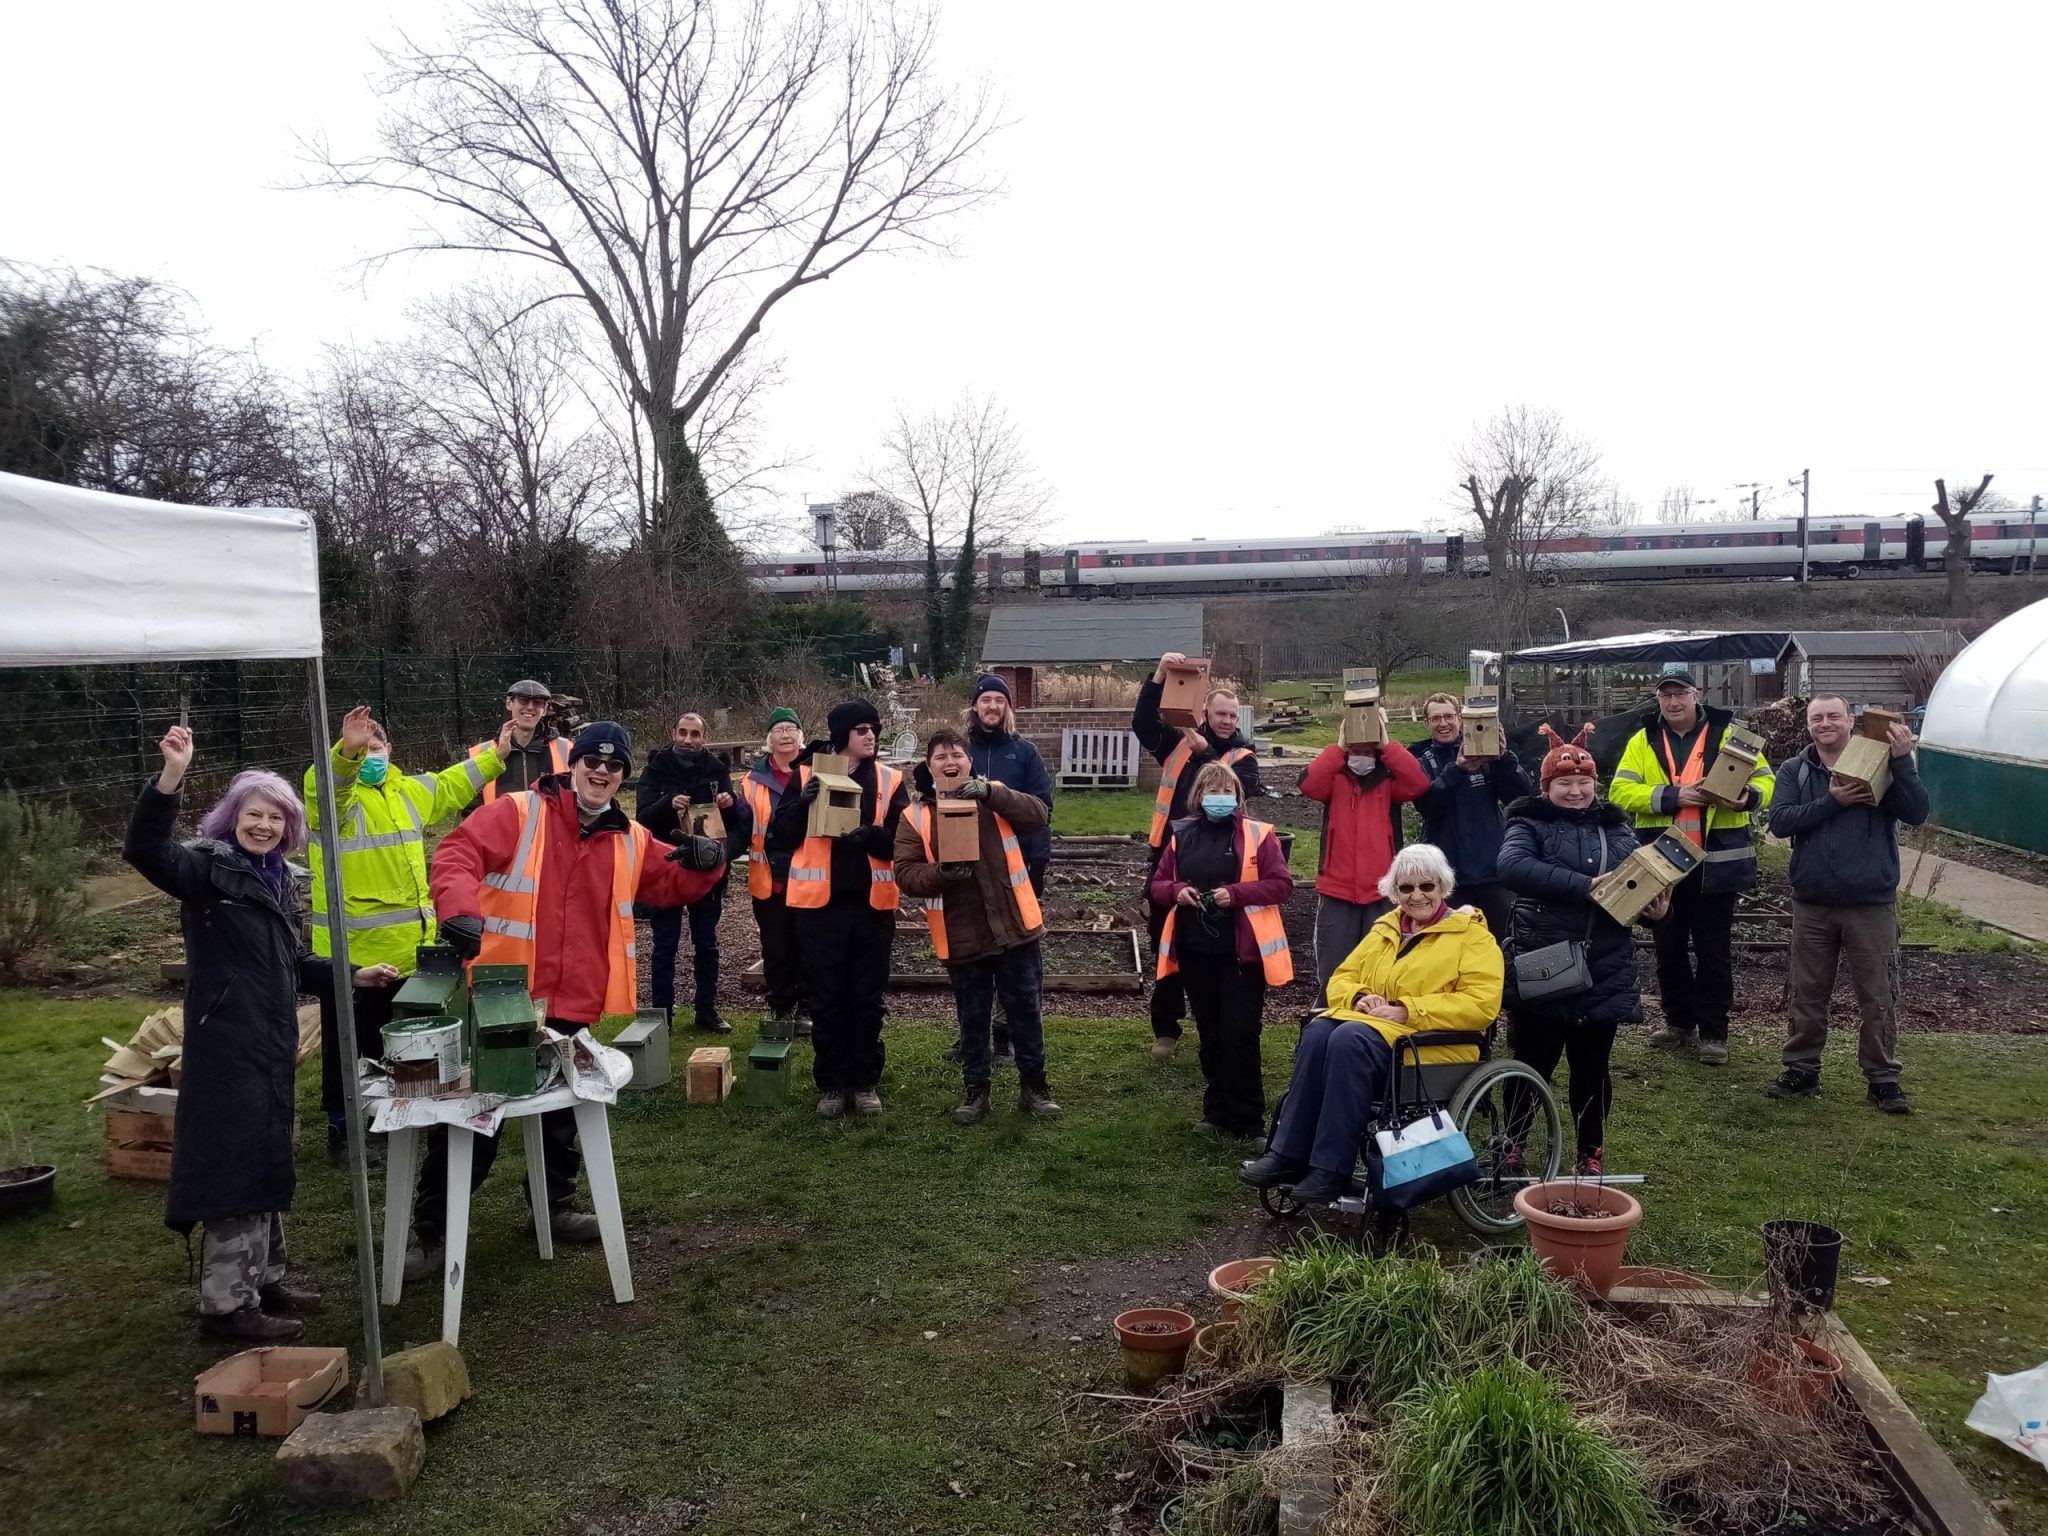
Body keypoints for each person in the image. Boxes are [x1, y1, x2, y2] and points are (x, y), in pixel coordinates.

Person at [401, 722, 728, 1278]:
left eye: (614, 766)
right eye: (592, 762)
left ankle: (553, 1208)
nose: (602, 771)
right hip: (502, 995)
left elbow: (670, 881)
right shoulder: (518, 812)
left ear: (623, 778)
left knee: (561, 1116)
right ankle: (433, 1234)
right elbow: (457, 853)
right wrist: (458, 910)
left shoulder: (631, 837)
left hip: (575, 998)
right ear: (572, 765)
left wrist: (708, 861)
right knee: (474, 1117)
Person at [125, 726, 341, 1342]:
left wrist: (350, 974)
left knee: (265, 1154)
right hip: (227, 1041)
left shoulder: (279, 880)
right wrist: (171, 776)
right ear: (233, 817)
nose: (264, 825)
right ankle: (226, 1307)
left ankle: (264, 1279)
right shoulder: (207, 869)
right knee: (235, 1162)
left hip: (269, 1040)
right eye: (254, 814)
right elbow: (145, 850)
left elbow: (291, 962)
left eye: (276, 817)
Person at [1241, 844, 1501, 1204]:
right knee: (1318, 1032)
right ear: (1395, 892)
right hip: (1383, 1035)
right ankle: (1288, 1155)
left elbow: (1481, 1005)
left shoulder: (1472, 937)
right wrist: (1360, 996)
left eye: (1427, 886)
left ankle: (1331, 1169)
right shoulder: (1386, 929)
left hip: (1436, 1045)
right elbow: (1342, 977)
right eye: (1406, 888)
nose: (1417, 896)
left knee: (1349, 1038)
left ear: (1443, 887)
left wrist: (1408, 1010)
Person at [307, 705, 506, 1158]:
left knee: (401, 1041)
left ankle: (400, 1114)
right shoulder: (336, 799)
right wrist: (347, 753)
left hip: (408, 948)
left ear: (390, 750)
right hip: (353, 952)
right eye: (363, 751)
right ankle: (345, 1127)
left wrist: (499, 753)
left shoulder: (406, 791)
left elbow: (453, 782)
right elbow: (328, 788)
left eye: (376, 748)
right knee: (350, 1046)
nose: (371, 756)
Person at [1496, 730, 1667, 1177]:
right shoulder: (1527, 823)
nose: (1575, 792)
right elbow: (1513, 867)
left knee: (1592, 1069)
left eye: (1583, 782)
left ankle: (1590, 1153)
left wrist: (1657, 912)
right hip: (1544, 959)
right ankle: (1512, 1145)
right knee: (1531, 1062)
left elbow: (1639, 884)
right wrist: (1586, 886)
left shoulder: (1617, 829)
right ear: (1546, 787)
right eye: (1564, 783)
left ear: (1595, 783)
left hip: (1603, 964)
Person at [1766, 698, 1928, 1114]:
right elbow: (1780, 821)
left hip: (1870, 902)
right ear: (1808, 725)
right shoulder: (1796, 770)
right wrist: (1833, 801)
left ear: (1850, 720)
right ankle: (1802, 1068)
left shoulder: (1880, 762)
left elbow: (1916, 813)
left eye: (1834, 716)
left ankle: (1882, 1077)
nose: (1825, 724)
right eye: (1816, 718)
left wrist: (1902, 761)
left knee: (1878, 995)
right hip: (1812, 902)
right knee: (1807, 991)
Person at [1608, 671, 1774, 1066]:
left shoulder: (1729, 735)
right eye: (1665, 695)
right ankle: (1678, 1023)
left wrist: (1747, 797)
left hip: (1717, 863)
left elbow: (1767, 781)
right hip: (1663, 864)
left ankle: (1714, 1033)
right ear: (1658, 700)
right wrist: (1673, 795)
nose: (1673, 702)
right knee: (1668, 947)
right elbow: (1619, 791)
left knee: (1713, 950)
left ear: (1695, 695)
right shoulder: (1643, 739)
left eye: (1680, 693)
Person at [896, 727, 1060, 1125]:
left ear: (969, 762)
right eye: (940, 757)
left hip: (1015, 928)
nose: (950, 762)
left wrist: (991, 793)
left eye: (957, 755)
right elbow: (906, 874)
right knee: (972, 1020)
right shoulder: (916, 817)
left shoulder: (995, 797)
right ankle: (976, 1092)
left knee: (1026, 1014)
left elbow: (1038, 815)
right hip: (962, 934)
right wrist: (942, 873)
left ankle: (1035, 1088)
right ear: (929, 767)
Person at [765, 699, 908, 1119]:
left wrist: (871, 837)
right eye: (861, 729)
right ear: (841, 735)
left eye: (874, 729)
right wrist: (802, 804)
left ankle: (863, 1083)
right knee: (825, 998)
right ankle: (831, 1084)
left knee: (867, 998)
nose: (870, 736)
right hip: (819, 910)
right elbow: (780, 835)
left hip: (871, 909)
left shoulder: (889, 780)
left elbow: (903, 842)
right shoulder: (806, 775)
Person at [1148, 760, 1294, 1144]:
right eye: (1212, 790)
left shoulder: (1259, 835)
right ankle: (1215, 1112)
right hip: (1195, 950)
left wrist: (1237, 894)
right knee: (1210, 1032)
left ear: (1237, 796)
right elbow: (1157, 884)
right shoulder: (1181, 835)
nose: (1219, 797)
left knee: (1240, 1034)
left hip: (1241, 955)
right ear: (1199, 796)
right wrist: (1177, 890)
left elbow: (1281, 885)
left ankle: (1249, 1121)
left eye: (1226, 791)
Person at [1134, 651, 1265, 1059]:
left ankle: (1218, 1023)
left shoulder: (1244, 758)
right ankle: (1166, 1028)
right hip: (1171, 859)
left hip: (1224, 865)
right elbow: (1142, 723)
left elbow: (1240, 790)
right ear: (1205, 711)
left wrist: (1206, 752)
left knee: (1217, 946)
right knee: (1165, 942)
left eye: (1233, 715)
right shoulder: (1177, 743)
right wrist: (1158, 677)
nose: (1227, 720)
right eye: (1220, 713)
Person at [953, 672, 1055, 1068]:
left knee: (1016, 957)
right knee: (970, 956)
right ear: (975, 706)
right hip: (966, 870)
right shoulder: (960, 751)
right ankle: (971, 1035)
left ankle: (1005, 1035)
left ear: (1008, 708)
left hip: (1015, 868)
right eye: (986, 699)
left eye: (999, 700)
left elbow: (1042, 810)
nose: (992, 706)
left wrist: (1038, 863)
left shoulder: (1024, 753)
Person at [635, 711, 753, 1035]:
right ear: (674, 733)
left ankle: (707, 1010)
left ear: (705, 738)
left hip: (705, 873)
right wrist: (667, 804)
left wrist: (731, 805)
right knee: (664, 945)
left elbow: (738, 825)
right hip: (667, 869)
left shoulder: (717, 770)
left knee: (707, 943)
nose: (688, 739)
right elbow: (641, 819)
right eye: (683, 732)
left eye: (695, 734)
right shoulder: (656, 768)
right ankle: (662, 1015)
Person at [1298, 721, 1431, 991]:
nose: (1362, 757)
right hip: (1336, 890)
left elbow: (1419, 783)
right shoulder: (1334, 780)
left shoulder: (1389, 782)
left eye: (1369, 752)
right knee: (1333, 969)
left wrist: (1388, 745)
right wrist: (1339, 747)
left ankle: (1377, 1015)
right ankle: (1329, 1015)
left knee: (1382, 967)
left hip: (1381, 891)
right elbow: (1309, 784)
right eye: (1356, 751)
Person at [1411, 691, 1534, 942]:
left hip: (1492, 870)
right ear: (1426, 723)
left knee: (1503, 942)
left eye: (1448, 716)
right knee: (1451, 944)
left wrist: (1503, 759)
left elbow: (1521, 797)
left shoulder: (1487, 755)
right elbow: (1427, 806)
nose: (1443, 723)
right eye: (1436, 718)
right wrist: (1457, 770)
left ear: (1460, 718)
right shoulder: (1422, 760)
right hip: (1447, 874)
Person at [738, 708, 810, 1035]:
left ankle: (808, 1007)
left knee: (809, 945)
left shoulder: (816, 773)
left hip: (810, 878)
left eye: (791, 728)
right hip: (769, 879)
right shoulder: (751, 781)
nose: (785, 734)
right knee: (776, 947)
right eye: (778, 729)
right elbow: (741, 826)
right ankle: (781, 1006)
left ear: (800, 736)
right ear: (769, 739)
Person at [468, 678, 568, 807]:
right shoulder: (481, 753)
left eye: (537, 702)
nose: (530, 707)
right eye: (523, 700)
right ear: (509, 703)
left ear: (544, 709)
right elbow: (471, 811)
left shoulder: (566, 750)